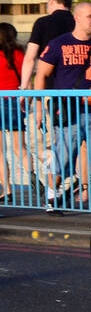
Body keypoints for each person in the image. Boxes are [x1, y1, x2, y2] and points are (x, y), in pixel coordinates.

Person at [31, 1, 91, 211]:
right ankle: (52, 196)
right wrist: (41, 107)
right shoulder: (58, 44)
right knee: (63, 158)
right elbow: (41, 76)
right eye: (90, 16)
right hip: (68, 112)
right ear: (77, 18)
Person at [20, 0, 74, 90]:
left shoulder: (42, 23)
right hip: (78, 87)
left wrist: (23, 87)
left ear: (52, 0)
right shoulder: (78, 23)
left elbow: (30, 58)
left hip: (50, 84)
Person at [0, 23, 26, 201]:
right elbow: (26, 79)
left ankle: (7, 189)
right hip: (15, 101)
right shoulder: (20, 54)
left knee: (0, 151)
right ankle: (36, 181)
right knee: (20, 148)